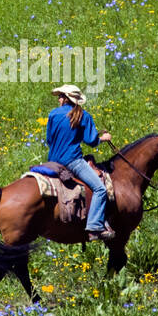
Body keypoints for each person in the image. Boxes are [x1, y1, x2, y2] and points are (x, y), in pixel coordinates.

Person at [45, 85, 115, 242]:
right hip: (73, 161)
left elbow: (49, 140)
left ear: (66, 98)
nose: (59, 99)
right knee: (100, 189)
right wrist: (104, 138)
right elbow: (91, 141)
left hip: (52, 162)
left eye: (61, 96)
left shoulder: (53, 114)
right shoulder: (84, 116)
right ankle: (95, 225)